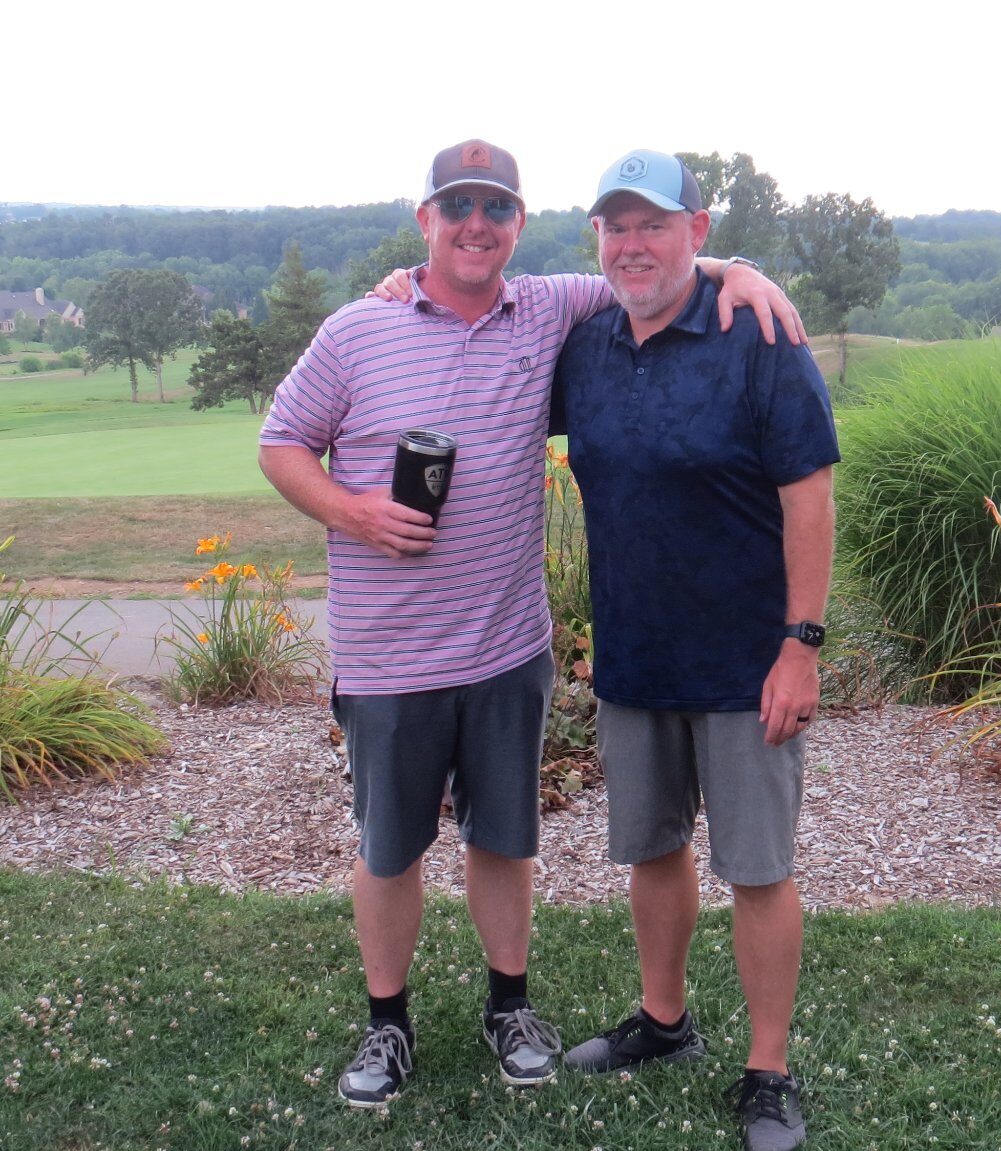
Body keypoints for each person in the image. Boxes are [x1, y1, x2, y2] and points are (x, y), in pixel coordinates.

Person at [257, 138, 805, 1110]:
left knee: (504, 840)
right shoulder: (357, 329)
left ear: (519, 223)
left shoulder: (550, 309)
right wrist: (353, 512)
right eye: (457, 205)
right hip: (388, 655)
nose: (477, 224)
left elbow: (657, 268)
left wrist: (741, 269)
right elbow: (281, 441)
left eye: (497, 207)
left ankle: (511, 1008)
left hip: (508, 650)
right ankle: (387, 1022)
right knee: (388, 848)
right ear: (425, 219)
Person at [552, 150, 838, 1151]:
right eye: (615, 226)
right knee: (652, 847)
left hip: (745, 661)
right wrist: (398, 284)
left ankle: (767, 1069)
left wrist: (800, 646)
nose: (632, 244)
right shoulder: (585, 345)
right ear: (596, 238)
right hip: (634, 654)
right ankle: (663, 1019)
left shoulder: (757, 334)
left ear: (697, 230)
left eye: (654, 224)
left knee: (756, 867)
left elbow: (809, 497)